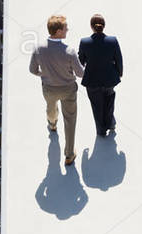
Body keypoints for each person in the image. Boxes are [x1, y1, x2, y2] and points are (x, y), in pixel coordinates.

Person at [29, 15, 86, 165]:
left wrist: (44, 74)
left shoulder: (38, 48)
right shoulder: (69, 51)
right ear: (59, 31)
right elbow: (80, 74)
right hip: (68, 90)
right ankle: (69, 154)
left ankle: (52, 123)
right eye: (65, 28)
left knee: (50, 106)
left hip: (49, 88)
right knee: (70, 120)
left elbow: (32, 69)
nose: (67, 29)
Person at [77, 14, 123, 137]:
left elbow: (80, 61)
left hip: (92, 80)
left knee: (97, 106)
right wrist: (119, 73)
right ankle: (111, 123)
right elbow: (119, 58)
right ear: (104, 26)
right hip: (109, 78)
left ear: (91, 27)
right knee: (109, 101)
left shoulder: (84, 42)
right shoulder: (112, 40)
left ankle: (101, 130)